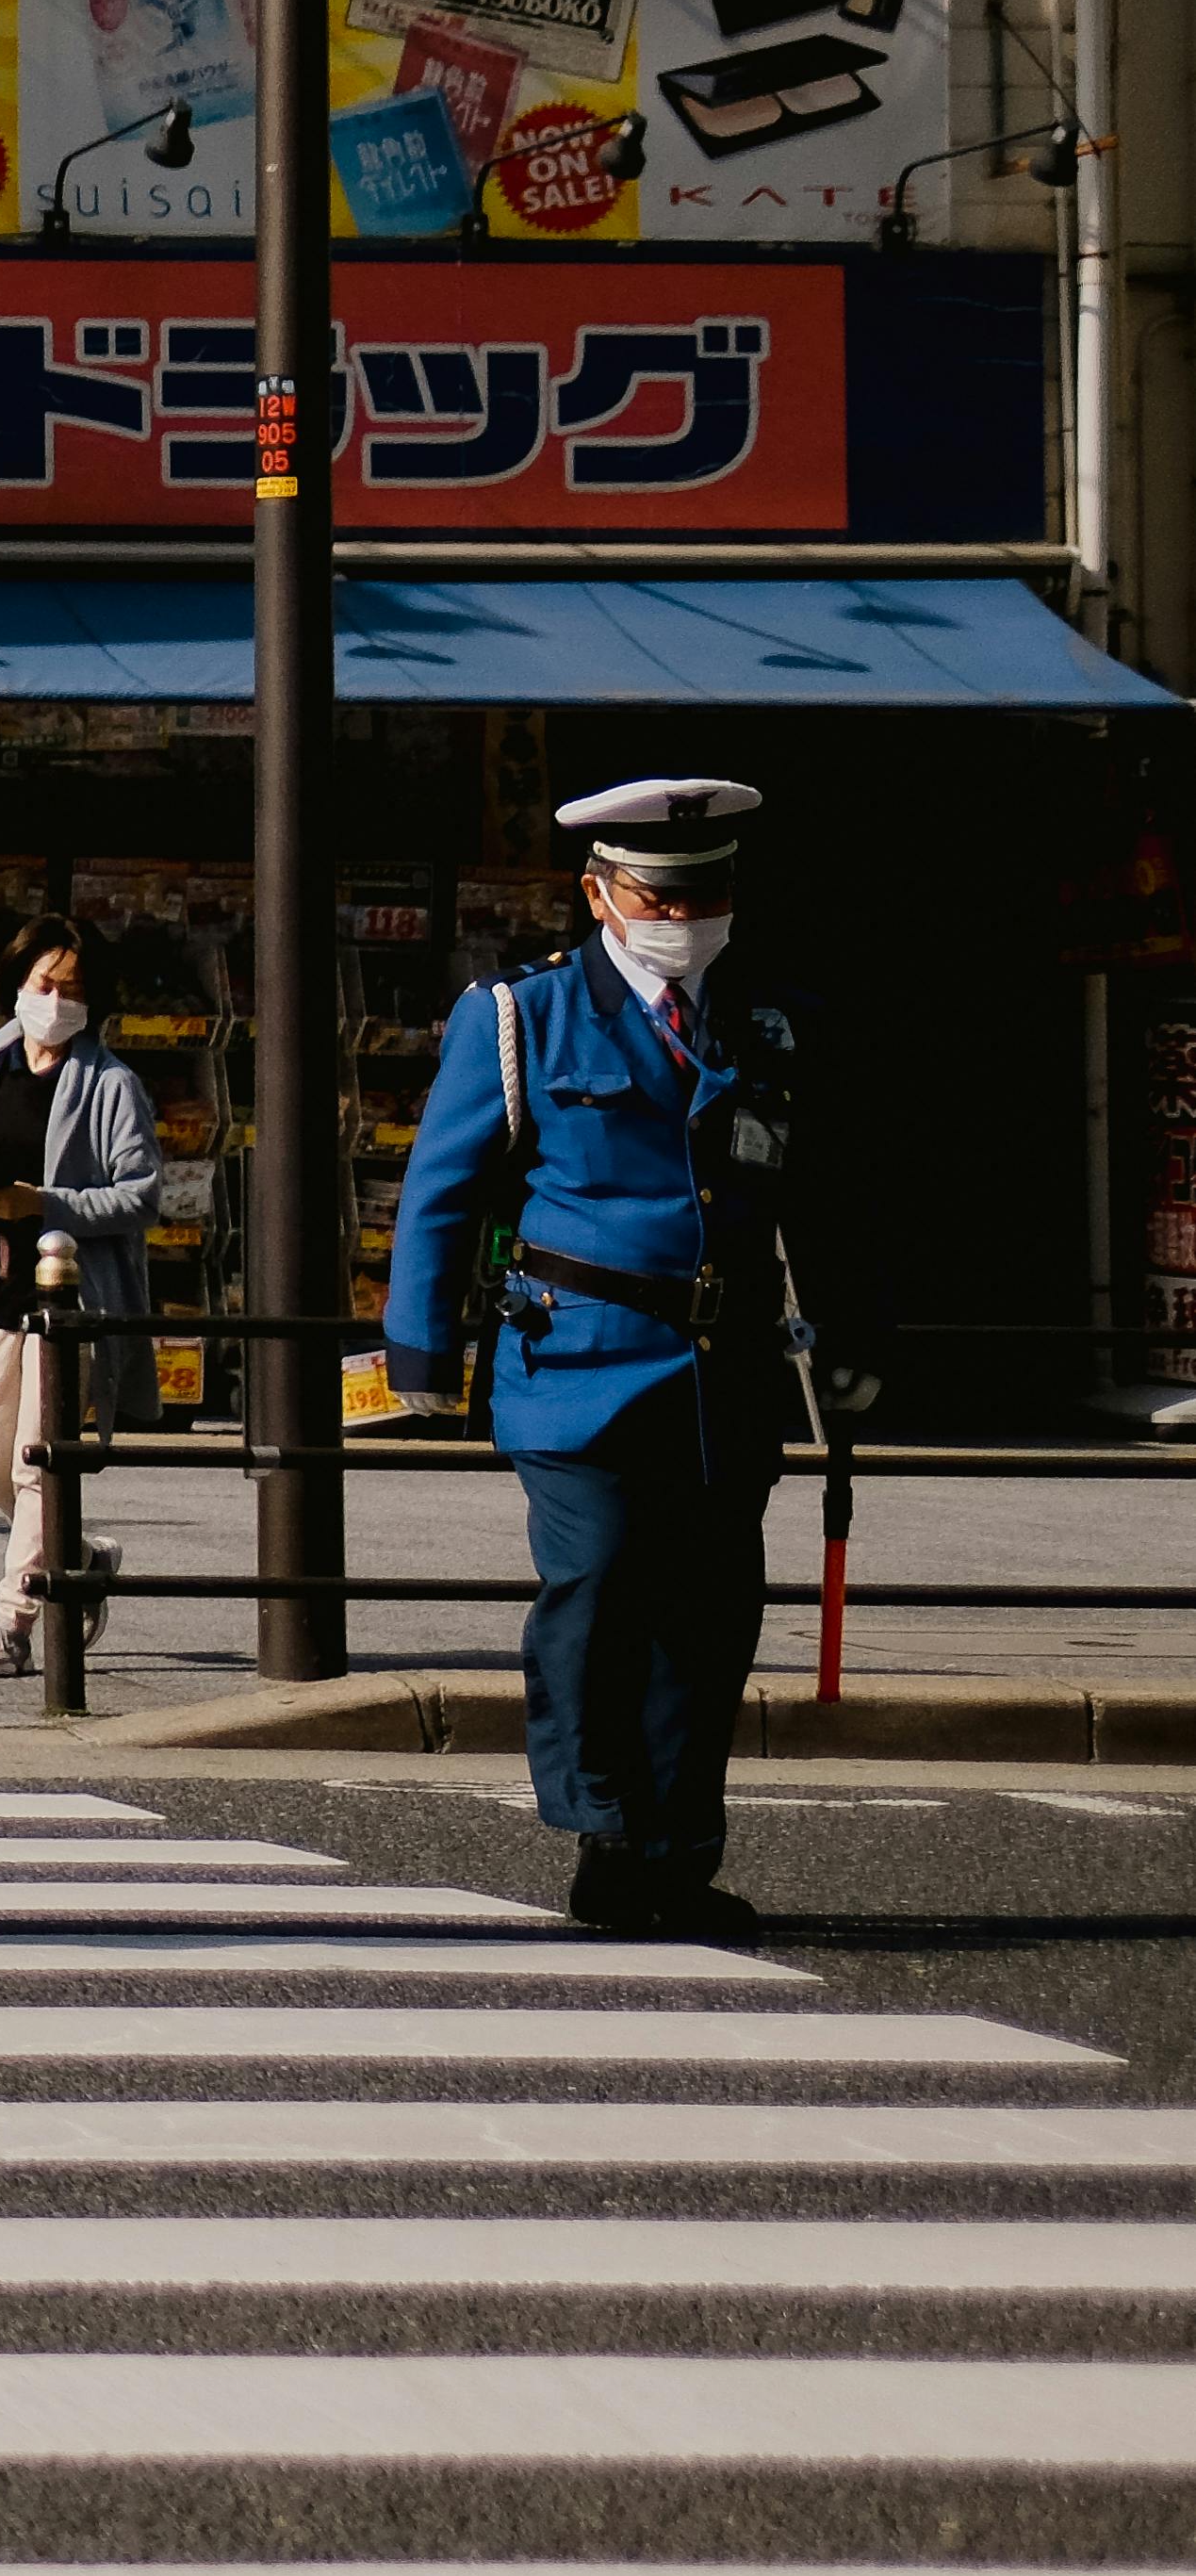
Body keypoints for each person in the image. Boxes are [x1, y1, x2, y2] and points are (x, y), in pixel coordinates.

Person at [382, 776, 815, 1940]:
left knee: (711, 1613)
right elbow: (441, 1185)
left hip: (720, 1366)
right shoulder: (523, 1014)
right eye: (656, 893)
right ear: (598, 891)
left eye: (705, 891)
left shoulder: (763, 1015)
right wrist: (416, 1347)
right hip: (574, 1359)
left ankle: (677, 1854)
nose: (683, 913)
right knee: (603, 1583)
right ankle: (606, 1827)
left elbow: (820, 1195)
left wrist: (853, 1340)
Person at [0, 911, 158, 1677]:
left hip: (70, 1300)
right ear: (18, 983)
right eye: (45, 983)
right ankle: (79, 1554)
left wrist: (40, 1202)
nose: (56, 999)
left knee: (35, 1467)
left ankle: (11, 1621)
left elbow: (141, 1194)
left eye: (74, 988)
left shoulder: (112, 1083)